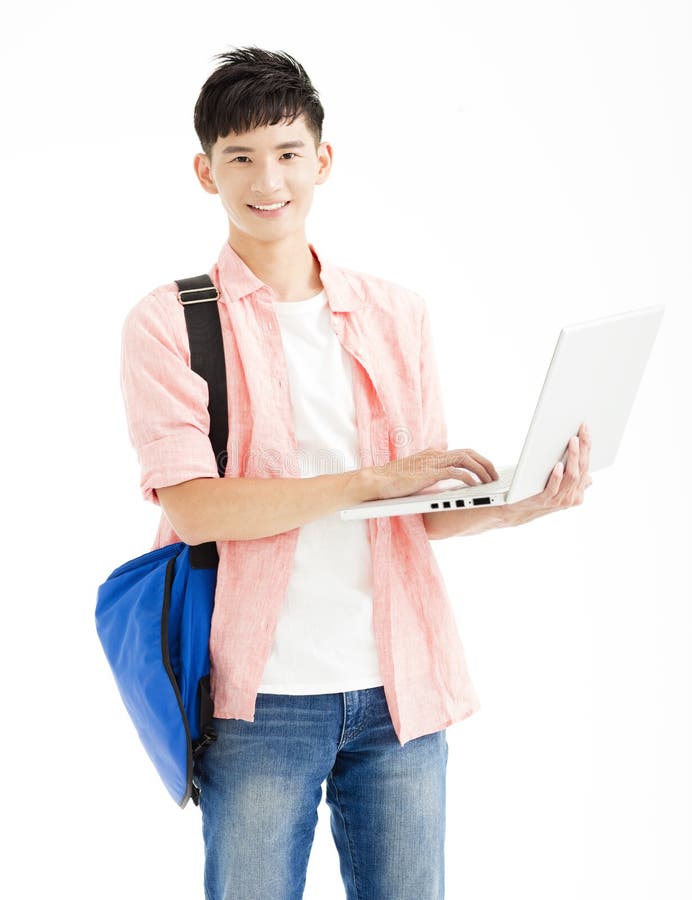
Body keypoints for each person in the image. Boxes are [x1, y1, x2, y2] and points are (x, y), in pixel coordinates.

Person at [119, 45, 592, 900]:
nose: (269, 179)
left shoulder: (394, 313)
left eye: (289, 152)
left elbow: (420, 512)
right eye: (241, 157)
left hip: (398, 693)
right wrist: (366, 482)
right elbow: (195, 510)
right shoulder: (170, 323)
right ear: (205, 172)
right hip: (259, 702)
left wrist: (521, 504)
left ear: (323, 161)